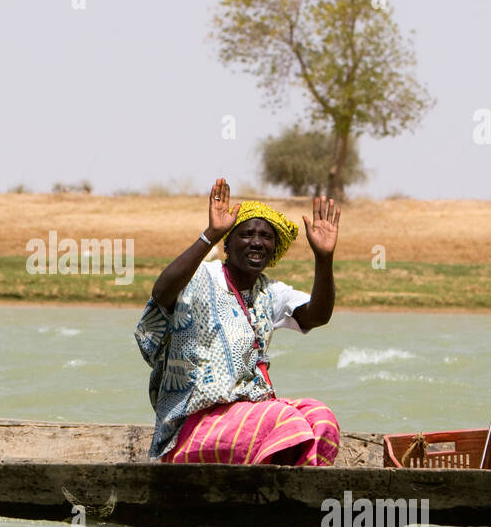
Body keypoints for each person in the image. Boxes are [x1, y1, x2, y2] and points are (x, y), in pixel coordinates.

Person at [134, 178, 341, 464]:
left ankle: (290, 496)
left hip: (251, 415)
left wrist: (324, 258)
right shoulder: (201, 277)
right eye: (246, 234)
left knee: (321, 418)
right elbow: (162, 292)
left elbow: (318, 315)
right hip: (195, 424)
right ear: (228, 244)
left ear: (273, 249)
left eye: (266, 237)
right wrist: (211, 233)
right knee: (285, 421)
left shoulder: (270, 292)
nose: (257, 242)